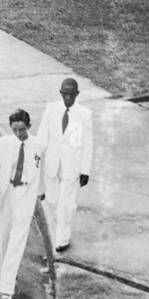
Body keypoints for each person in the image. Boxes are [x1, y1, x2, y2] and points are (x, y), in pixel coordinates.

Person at [0, 109, 46, 299]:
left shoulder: (38, 145)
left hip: (25, 194)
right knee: (5, 238)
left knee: (18, 239)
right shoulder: (3, 144)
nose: (18, 133)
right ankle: (8, 274)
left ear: (29, 126)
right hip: (7, 194)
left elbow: (43, 169)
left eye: (22, 129)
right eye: (14, 129)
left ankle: (6, 288)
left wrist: (42, 191)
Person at [38, 78, 93, 254]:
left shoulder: (85, 114)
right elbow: (43, 135)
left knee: (65, 204)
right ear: (60, 93)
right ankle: (61, 223)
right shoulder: (51, 109)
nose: (68, 97)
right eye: (65, 94)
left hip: (72, 166)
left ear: (77, 95)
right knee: (53, 201)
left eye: (71, 94)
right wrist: (37, 154)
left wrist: (85, 170)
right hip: (53, 164)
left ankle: (62, 239)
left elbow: (88, 143)